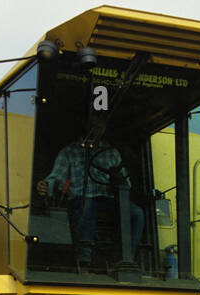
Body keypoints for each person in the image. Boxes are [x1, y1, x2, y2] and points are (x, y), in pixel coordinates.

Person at [38, 113, 144, 268]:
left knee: (137, 213)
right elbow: (56, 177)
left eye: (101, 124)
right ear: (86, 125)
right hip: (81, 198)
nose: (97, 128)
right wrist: (46, 185)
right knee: (87, 205)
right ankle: (84, 259)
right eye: (93, 124)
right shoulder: (69, 152)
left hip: (108, 199)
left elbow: (126, 184)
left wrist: (118, 180)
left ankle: (127, 259)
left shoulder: (112, 152)